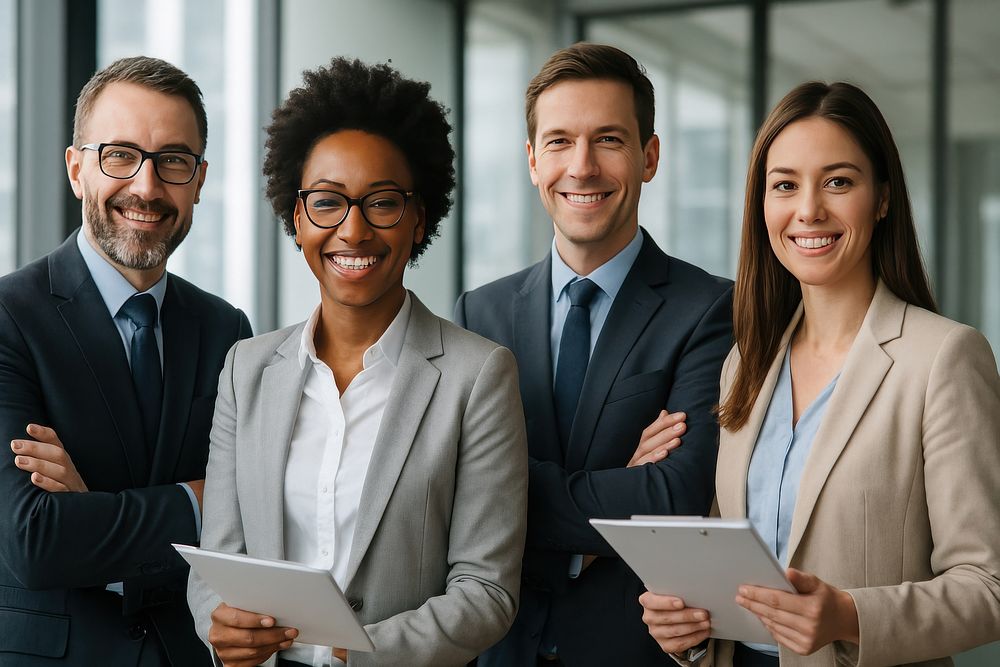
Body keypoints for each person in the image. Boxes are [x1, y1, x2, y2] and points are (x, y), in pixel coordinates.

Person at [639, 81, 1000, 666]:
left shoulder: (944, 359)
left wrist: (849, 617)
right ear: (762, 205)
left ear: (882, 197)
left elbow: (988, 587)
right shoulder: (744, 366)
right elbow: (728, 551)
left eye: (838, 181)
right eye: (785, 185)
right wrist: (687, 623)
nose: (808, 209)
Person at [186, 57, 528, 667]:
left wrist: (356, 653)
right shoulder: (246, 370)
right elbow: (219, 560)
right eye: (327, 202)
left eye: (383, 203)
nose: (354, 229)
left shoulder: (477, 376)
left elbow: (486, 590)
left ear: (419, 218)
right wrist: (221, 624)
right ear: (297, 217)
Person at [455, 43, 733, 665]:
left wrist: (505, 494)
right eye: (558, 142)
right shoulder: (480, 313)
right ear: (532, 161)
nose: (582, 167)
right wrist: (624, 486)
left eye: (608, 139)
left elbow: (677, 499)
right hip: (502, 648)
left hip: (632, 650)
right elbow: (448, 493)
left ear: (649, 157)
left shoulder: (712, 310)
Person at [0, 56, 252, 666]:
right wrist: (198, 499)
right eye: (119, 155)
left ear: (198, 179)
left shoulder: (227, 331)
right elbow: (36, 540)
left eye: (172, 161)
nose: (145, 186)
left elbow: (246, 533)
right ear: (76, 168)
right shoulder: (9, 318)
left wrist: (93, 510)